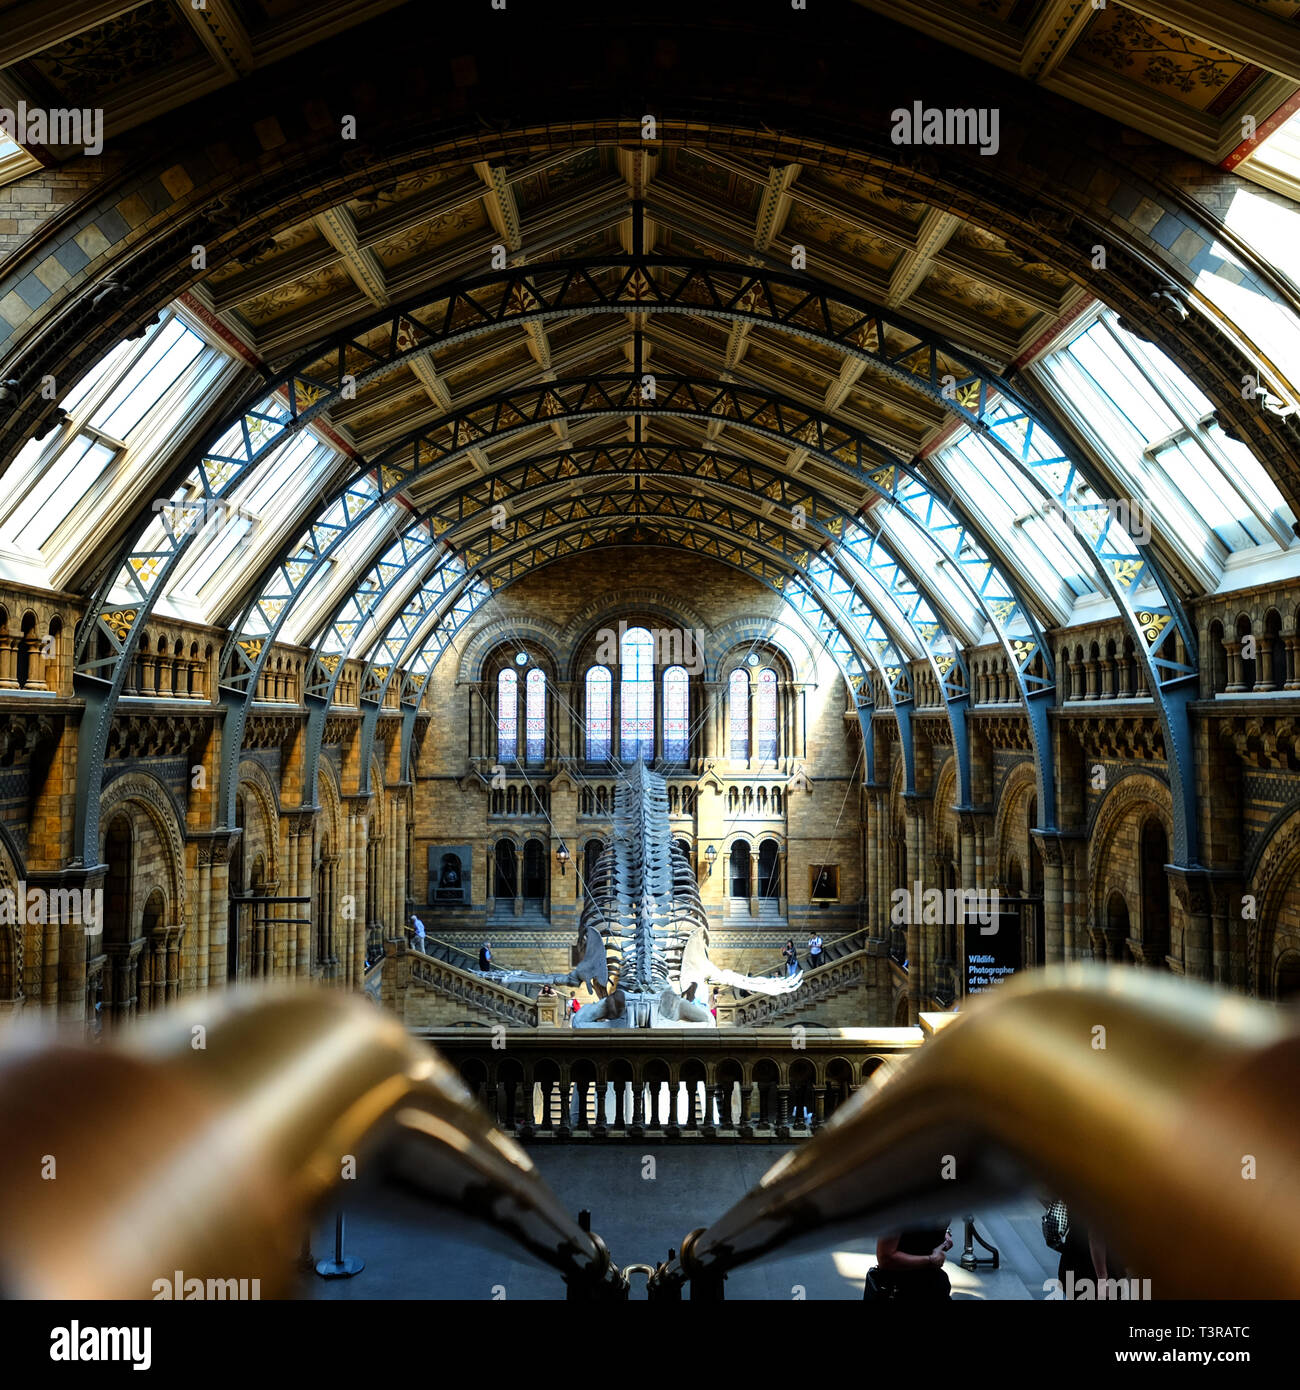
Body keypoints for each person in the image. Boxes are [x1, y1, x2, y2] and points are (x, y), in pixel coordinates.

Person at [864, 1223, 954, 1301]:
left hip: (932, 1283)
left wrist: (944, 1233)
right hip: (901, 1287)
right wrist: (930, 1260)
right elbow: (886, 1258)